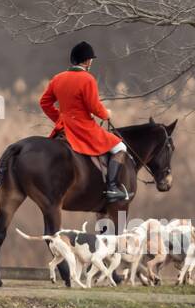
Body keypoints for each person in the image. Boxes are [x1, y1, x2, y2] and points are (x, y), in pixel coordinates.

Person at [39, 41, 129, 202]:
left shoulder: (57, 78)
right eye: (91, 60)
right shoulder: (87, 79)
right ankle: (113, 188)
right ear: (87, 61)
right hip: (83, 128)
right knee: (120, 147)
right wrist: (106, 114)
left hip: (64, 127)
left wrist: (59, 118)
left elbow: (44, 103)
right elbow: (94, 106)